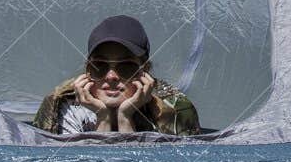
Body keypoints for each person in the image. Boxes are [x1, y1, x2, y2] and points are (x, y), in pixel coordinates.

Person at [33, 15, 200, 135]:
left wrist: (125, 119)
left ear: (145, 71)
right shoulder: (63, 103)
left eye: (126, 66)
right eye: (99, 66)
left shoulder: (174, 108)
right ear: (87, 70)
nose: (111, 76)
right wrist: (103, 118)